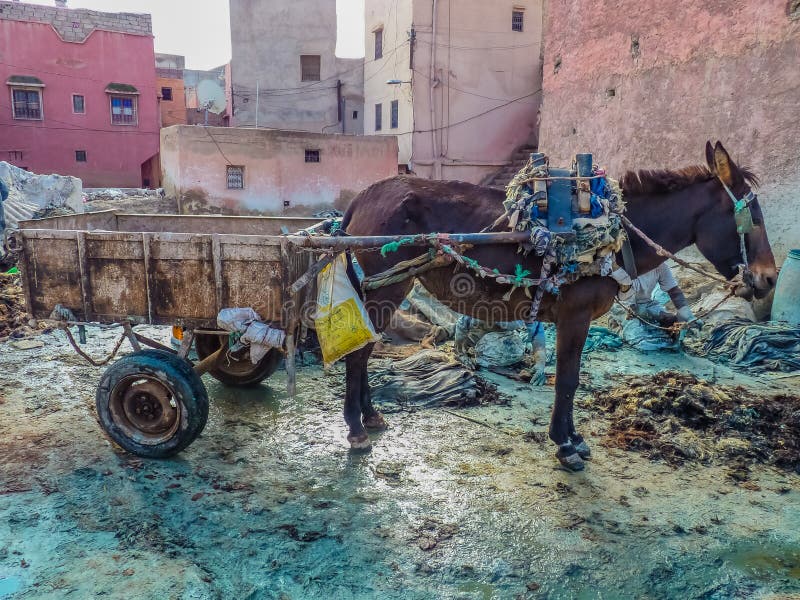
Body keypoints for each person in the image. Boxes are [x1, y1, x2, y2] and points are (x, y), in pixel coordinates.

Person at [629, 262, 694, 327]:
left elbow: (673, 290)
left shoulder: (660, 265)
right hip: (625, 308)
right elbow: (624, 302)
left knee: (670, 320)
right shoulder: (624, 269)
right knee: (639, 334)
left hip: (647, 303)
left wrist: (685, 312)